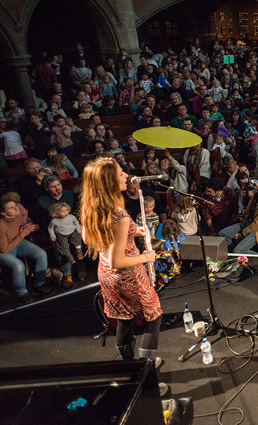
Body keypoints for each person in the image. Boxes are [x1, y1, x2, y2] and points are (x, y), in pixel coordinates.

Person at [79, 157, 166, 394]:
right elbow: (119, 261)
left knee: (124, 317)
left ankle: (130, 367)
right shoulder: (120, 216)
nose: (126, 177)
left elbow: (89, 239)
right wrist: (146, 258)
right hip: (128, 274)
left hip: (105, 275)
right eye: (120, 174)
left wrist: (131, 232)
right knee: (152, 317)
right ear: (108, 183)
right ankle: (146, 375)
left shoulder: (91, 207)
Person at [0, 192, 53, 305]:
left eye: (15, 206)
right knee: (18, 266)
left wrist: (26, 228)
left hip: (16, 242)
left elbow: (17, 229)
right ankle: (21, 293)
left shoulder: (16, 216)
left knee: (41, 254)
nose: (16, 208)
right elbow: (4, 249)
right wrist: (22, 235)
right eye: (11, 208)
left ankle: (39, 285)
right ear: (3, 213)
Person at [218, 174, 258, 254]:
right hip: (249, 222)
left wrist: (242, 234)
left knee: (238, 251)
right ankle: (233, 258)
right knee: (223, 234)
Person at [48, 201, 85, 287]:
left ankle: (79, 254)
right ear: (56, 214)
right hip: (61, 235)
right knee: (63, 246)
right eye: (62, 211)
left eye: (66, 210)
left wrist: (79, 230)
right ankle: (68, 264)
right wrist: (52, 235)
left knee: (77, 239)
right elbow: (50, 228)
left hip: (72, 231)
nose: (65, 213)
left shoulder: (71, 217)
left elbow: (76, 222)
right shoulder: (54, 221)